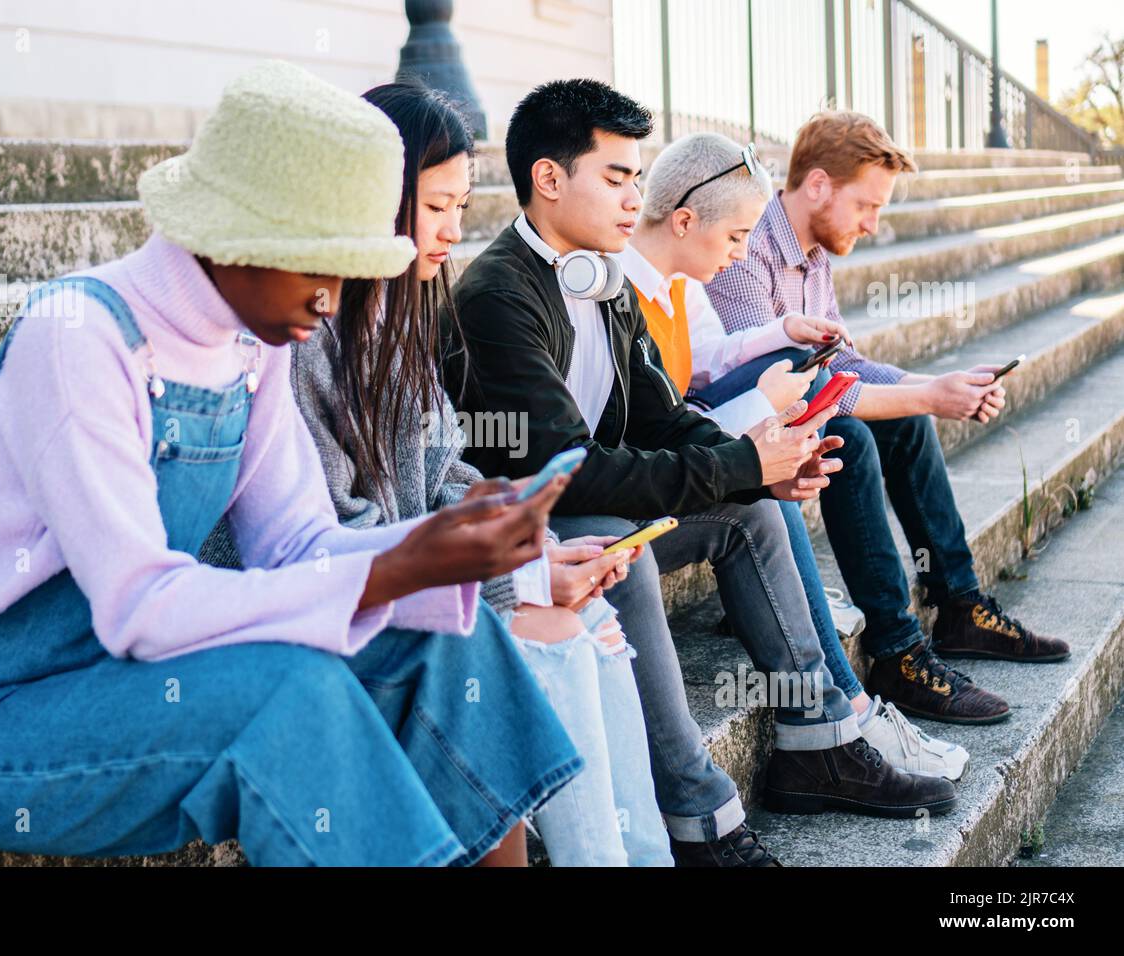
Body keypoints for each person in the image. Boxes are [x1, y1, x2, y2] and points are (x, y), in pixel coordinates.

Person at [0, 60, 583, 868]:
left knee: (447, 634)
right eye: (317, 265)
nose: (333, 299)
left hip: (136, 687)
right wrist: (393, 569)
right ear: (236, 237)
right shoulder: (78, 336)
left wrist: (437, 550)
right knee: (292, 694)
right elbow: (139, 604)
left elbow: (296, 547)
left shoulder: (256, 345)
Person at [445, 78, 957, 865]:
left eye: (636, 178)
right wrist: (742, 459)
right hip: (528, 526)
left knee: (752, 516)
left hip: (591, 499)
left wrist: (761, 475)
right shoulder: (496, 292)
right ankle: (698, 817)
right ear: (549, 179)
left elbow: (662, 417)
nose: (632, 199)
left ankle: (818, 738)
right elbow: (569, 473)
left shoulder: (604, 276)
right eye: (616, 178)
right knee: (628, 546)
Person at [263, 81, 672, 866]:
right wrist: (513, 586)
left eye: (460, 207)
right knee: (554, 636)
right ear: (370, 198)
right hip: (348, 609)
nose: (454, 231)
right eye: (436, 207)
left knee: (597, 622)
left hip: (420, 582)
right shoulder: (303, 334)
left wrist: (535, 553)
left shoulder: (397, 314)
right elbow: (337, 540)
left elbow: (449, 468)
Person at [617, 130, 968, 779]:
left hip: (685, 456)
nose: (742, 253)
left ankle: (925, 630)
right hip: (639, 494)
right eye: (734, 238)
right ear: (687, 220)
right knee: (770, 484)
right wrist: (762, 417)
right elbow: (653, 438)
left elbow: (713, 358)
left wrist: (783, 335)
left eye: (750, 237)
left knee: (853, 420)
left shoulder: (683, 289)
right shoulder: (615, 296)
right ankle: (850, 705)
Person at [705, 111, 1070, 726]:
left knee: (906, 421)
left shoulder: (814, 251)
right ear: (817, 185)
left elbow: (842, 364)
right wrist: (931, 394)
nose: (873, 225)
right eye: (866, 206)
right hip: (734, 434)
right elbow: (786, 389)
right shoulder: (747, 246)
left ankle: (958, 604)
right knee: (851, 436)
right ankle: (897, 653)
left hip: (787, 416)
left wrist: (936, 388)